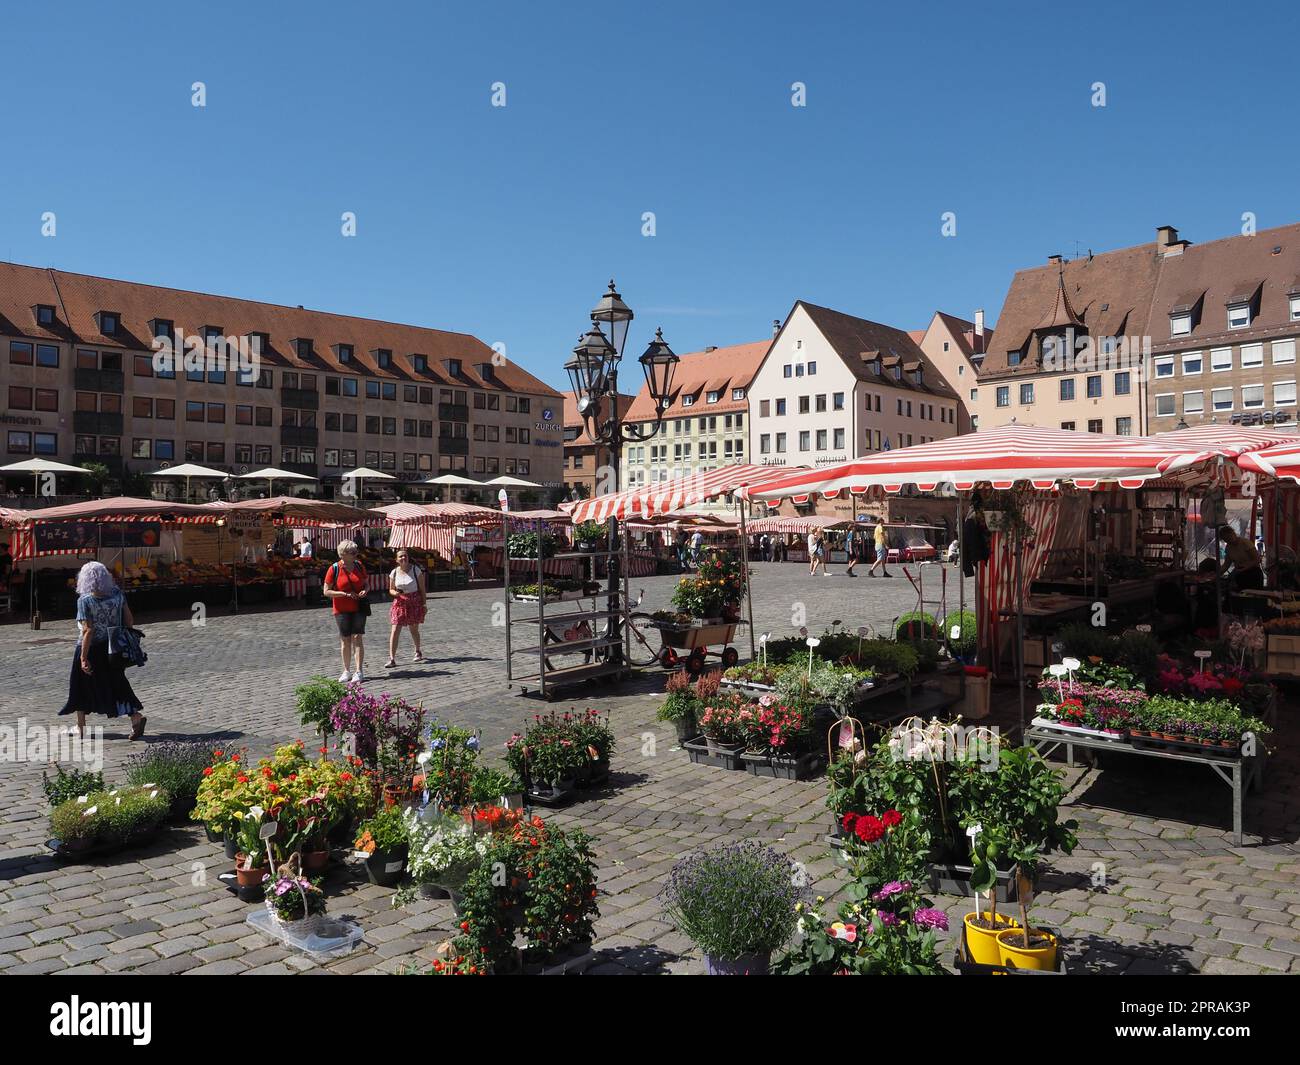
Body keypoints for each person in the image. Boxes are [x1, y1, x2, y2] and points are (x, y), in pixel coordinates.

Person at [59, 561, 145, 740]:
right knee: (118, 682)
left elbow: (87, 630)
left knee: (80, 685)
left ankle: (81, 727)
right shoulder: (117, 594)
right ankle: (136, 718)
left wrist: (83, 657)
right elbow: (129, 621)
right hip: (112, 647)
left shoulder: (85, 600)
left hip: (91, 648)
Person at [324, 540, 369, 683]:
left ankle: (359, 671)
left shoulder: (359, 566)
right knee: (345, 639)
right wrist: (343, 594)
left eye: (356, 551)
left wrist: (365, 591)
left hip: (359, 607)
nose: (356, 554)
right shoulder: (334, 569)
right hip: (341, 608)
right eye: (352, 552)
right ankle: (346, 670)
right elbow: (326, 591)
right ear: (343, 554)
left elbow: (367, 584)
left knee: (357, 637)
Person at [385, 549, 427, 667]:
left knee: (413, 629)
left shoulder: (415, 570)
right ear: (396, 560)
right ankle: (392, 658)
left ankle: (417, 651)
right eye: (400, 556)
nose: (403, 558)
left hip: (414, 602)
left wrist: (424, 604)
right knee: (395, 629)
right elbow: (391, 589)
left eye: (405, 556)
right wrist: (395, 594)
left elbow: (422, 589)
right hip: (399, 602)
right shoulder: (394, 572)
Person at [1218, 525, 1263, 592]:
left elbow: (1258, 559)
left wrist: (1245, 567)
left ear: (1233, 533)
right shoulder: (1228, 547)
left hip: (1253, 574)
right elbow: (1226, 565)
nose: (1228, 540)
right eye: (1226, 539)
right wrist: (1216, 574)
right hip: (1241, 575)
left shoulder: (1245, 543)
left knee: (1254, 596)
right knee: (1242, 596)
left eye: (1229, 537)